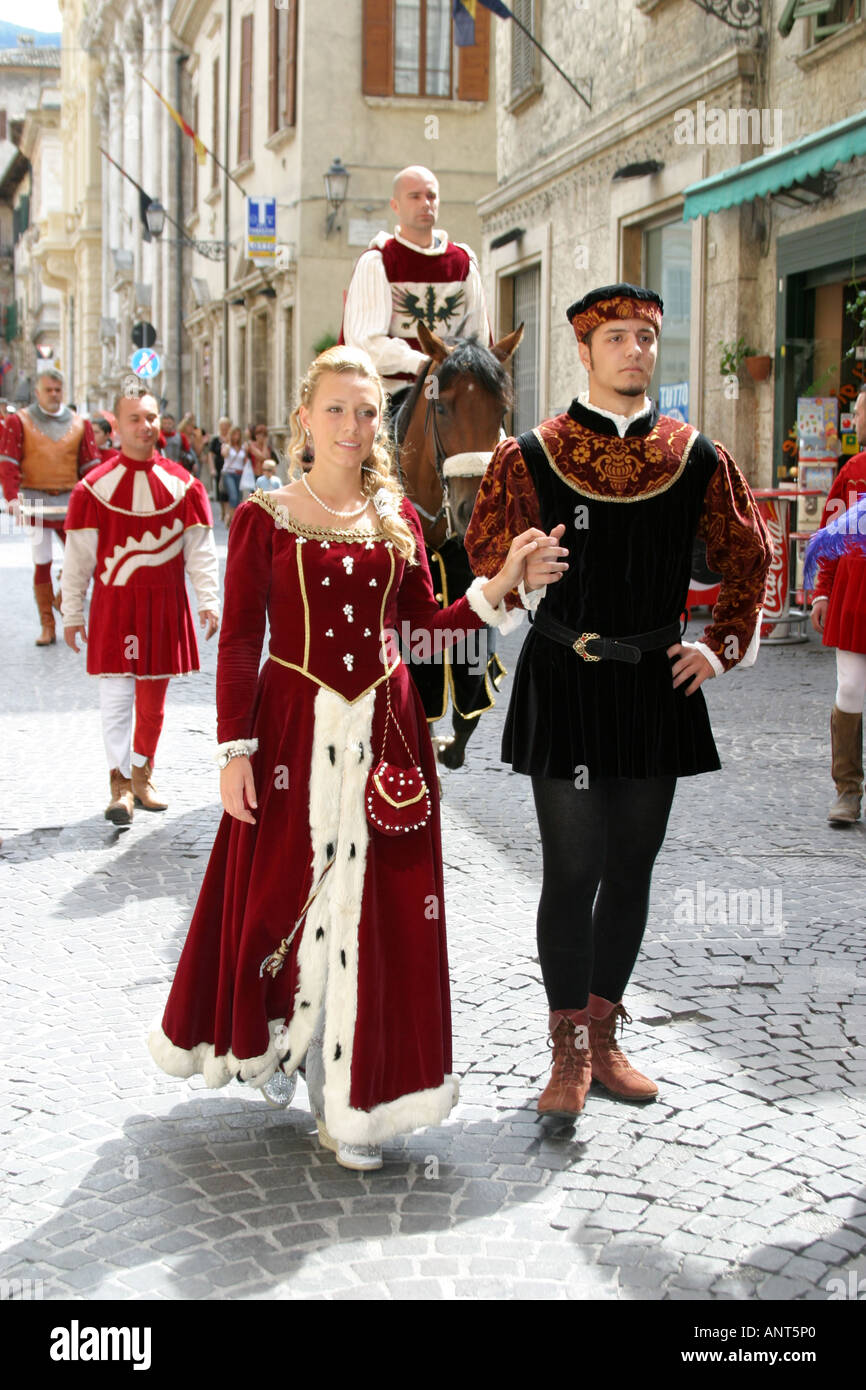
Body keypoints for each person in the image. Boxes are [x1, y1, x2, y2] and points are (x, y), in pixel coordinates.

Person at [147, 345, 539, 1171]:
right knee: (275, 898)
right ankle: (278, 1034)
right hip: (292, 730)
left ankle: (355, 1099)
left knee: (381, 913)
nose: (353, 425)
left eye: (366, 411)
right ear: (305, 419)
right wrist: (234, 750)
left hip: (388, 734)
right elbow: (239, 647)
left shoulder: (398, 522)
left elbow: (423, 635)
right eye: (336, 409)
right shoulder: (264, 517)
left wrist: (497, 585)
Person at [465, 283, 773, 1120]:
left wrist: (719, 644)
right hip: (565, 679)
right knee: (572, 871)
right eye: (618, 339)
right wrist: (518, 578)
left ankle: (604, 1035)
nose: (635, 350)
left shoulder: (696, 455)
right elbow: (485, 555)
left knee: (631, 870)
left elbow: (751, 554)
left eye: (646, 337)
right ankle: (564, 1049)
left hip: (654, 683)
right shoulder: (530, 453)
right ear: (586, 351)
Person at [62, 382, 220, 824]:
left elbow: (200, 550)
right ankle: (118, 787)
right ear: (116, 425)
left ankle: (141, 774)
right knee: (115, 701)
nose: (145, 426)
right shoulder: (91, 490)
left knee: (152, 705)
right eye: (135, 418)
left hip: (164, 608)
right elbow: (77, 561)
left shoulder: (185, 486)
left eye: (151, 417)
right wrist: (72, 612)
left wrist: (209, 599)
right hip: (114, 608)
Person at [341, 164, 491, 421]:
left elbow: (478, 340)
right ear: (395, 205)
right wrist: (421, 363)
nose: (425, 203)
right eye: (415, 196)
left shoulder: (462, 263)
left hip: (454, 393)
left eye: (431, 196)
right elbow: (365, 343)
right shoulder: (379, 261)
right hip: (390, 394)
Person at [0, 368, 100, 646]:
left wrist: (102, 499)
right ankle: (48, 625)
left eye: (58, 390)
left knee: (86, 559)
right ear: (38, 392)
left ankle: (62, 601)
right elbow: (9, 462)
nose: (54, 395)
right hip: (34, 498)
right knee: (42, 561)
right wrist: (11, 498)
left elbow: (91, 468)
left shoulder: (80, 424)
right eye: (49, 390)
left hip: (71, 500)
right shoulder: (18, 422)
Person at [810, 381, 866, 824]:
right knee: (850, 688)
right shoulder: (853, 472)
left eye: (861, 413)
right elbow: (830, 538)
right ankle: (847, 790)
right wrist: (822, 591)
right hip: (855, 599)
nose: (857, 420)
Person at [220, 426, 247, 521]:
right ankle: (232, 518)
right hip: (229, 473)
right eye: (234, 434)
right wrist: (228, 444)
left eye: (238, 434)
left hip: (240, 473)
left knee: (239, 497)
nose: (236, 437)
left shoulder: (243, 447)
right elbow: (224, 454)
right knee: (233, 496)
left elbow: (245, 461)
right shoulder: (227, 446)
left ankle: (233, 517)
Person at [209, 416, 231, 516]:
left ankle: (227, 511)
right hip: (219, 466)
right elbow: (210, 454)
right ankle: (223, 509)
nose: (224, 427)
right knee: (220, 489)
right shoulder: (216, 440)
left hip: (230, 466)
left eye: (226, 425)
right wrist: (212, 468)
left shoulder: (231, 438)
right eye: (222, 425)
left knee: (229, 490)